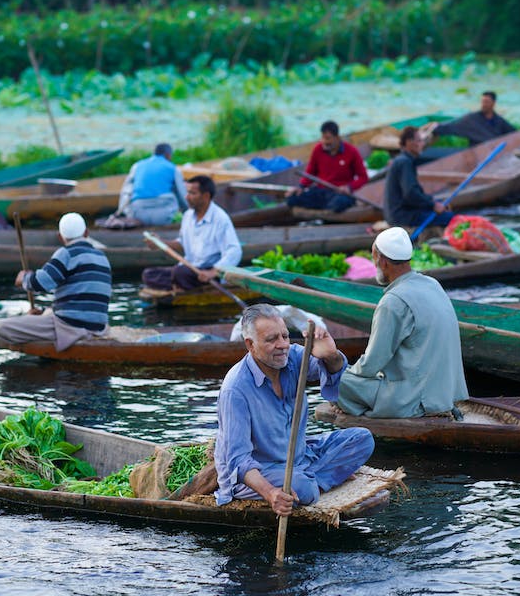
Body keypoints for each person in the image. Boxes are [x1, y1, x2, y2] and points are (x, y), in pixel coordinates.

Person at [214, 303, 375, 515]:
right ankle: (321, 477)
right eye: (272, 340)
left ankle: (316, 476)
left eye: (285, 336)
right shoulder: (235, 390)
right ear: (250, 345)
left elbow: (330, 372)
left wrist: (330, 354)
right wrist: (271, 493)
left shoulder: (292, 357)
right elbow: (238, 461)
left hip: (300, 456)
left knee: (362, 439)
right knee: (302, 487)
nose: (282, 345)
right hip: (261, 469)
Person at [337, 227, 468, 419]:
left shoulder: (393, 301)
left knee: (336, 381)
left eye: (374, 258)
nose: (375, 264)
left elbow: (371, 364)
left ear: (382, 260)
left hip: (416, 400)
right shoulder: (433, 284)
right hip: (446, 394)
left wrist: (346, 372)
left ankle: (358, 407)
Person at [0, 212, 112, 352]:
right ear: (86, 233)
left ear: (60, 237)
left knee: (2, 327)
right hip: (98, 327)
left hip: (71, 327)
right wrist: (43, 314)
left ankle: (58, 337)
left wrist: (24, 279)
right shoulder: (102, 257)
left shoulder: (66, 253)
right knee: (46, 313)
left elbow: (41, 283)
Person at [142, 174, 242, 291]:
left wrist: (212, 272)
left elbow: (234, 251)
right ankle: (180, 284)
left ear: (206, 196)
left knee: (180, 273)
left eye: (192, 193)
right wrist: (160, 243)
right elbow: (182, 243)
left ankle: (180, 284)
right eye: (187, 192)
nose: (186, 197)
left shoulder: (220, 218)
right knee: (148, 274)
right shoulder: (188, 215)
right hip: (190, 270)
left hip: (207, 272)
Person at [285, 120, 369, 212]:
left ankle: (327, 212)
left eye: (328, 138)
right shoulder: (318, 150)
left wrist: (349, 187)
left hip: (339, 193)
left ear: (337, 137)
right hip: (321, 192)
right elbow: (310, 174)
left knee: (339, 203)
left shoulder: (351, 151)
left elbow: (363, 177)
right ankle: (324, 211)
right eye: (323, 138)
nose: (324, 141)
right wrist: (301, 187)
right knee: (292, 199)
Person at [383, 126, 453, 228]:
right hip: (402, 217)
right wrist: (433, 205)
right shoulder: (404, 162)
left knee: (440, 210)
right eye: (419, 141)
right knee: (449, 217)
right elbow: (411, 194)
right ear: (409, 142)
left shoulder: (403, 160)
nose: (422, 144)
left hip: (402, 213)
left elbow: (413, 194)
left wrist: (432, 202)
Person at [115, 143, 188, 226]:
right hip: (164, 216)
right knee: (174, 195)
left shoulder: (136, 166)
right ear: (168, 155)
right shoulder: (173, 168)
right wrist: (189, 212)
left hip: (139, 215)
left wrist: (124, 212)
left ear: (153, 154)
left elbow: (126, 192)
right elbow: (182, 194)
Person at [426, 91, 517, 146]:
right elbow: (451, 126)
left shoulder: (499, 120)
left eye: (486, 102)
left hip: (495, 154)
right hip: (476, 154)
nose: (483, 105)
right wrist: (435, 126)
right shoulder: (471, 119)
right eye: (482, 102)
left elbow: (514, 133)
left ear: (493, 103)